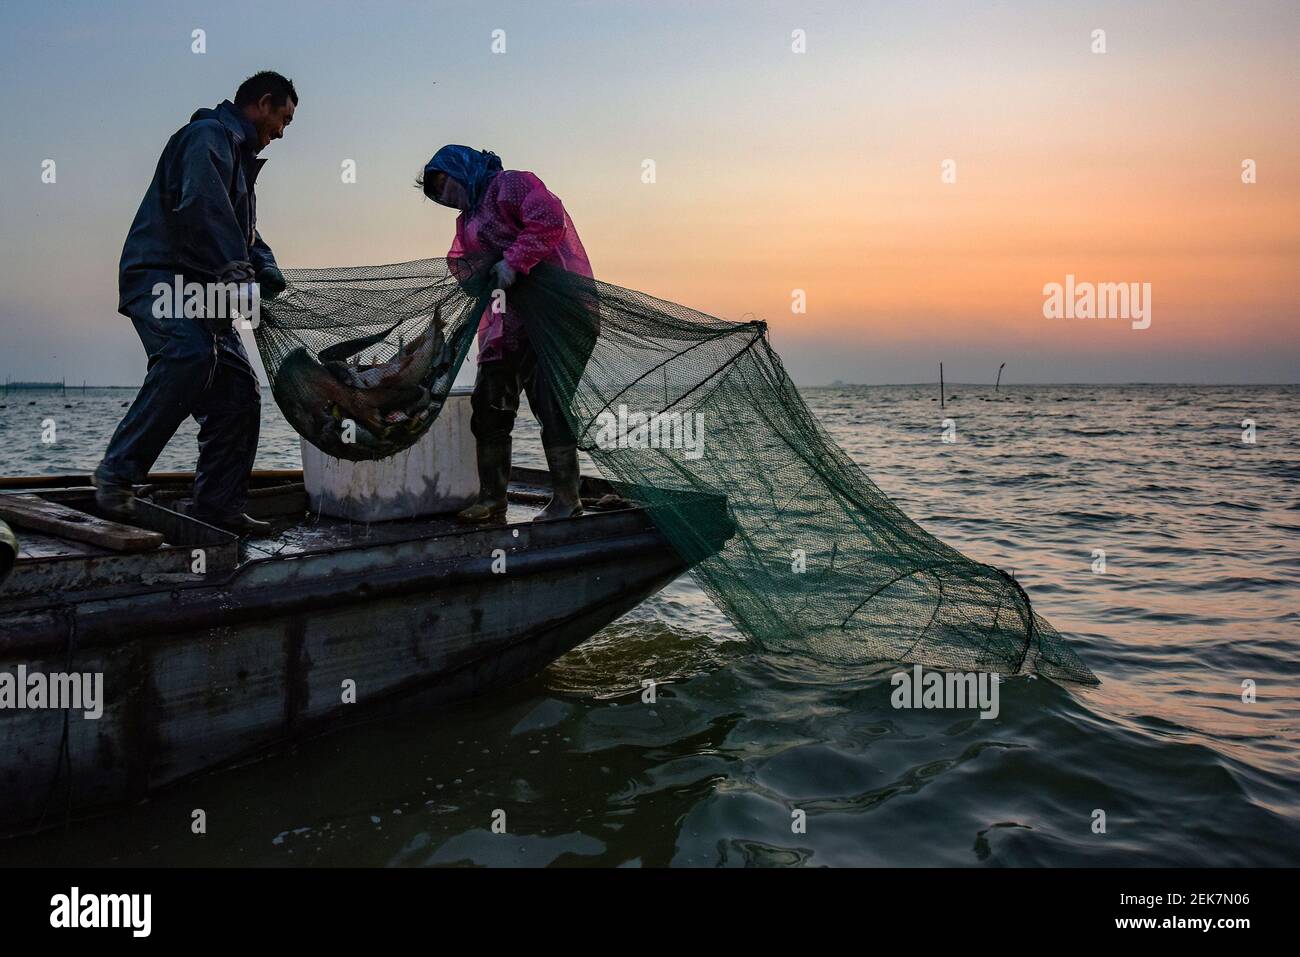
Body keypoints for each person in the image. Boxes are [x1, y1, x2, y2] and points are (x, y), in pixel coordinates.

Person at [93, 71, 298, 533]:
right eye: (283, 119)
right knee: (186, 354)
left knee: (239, 393)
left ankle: (217, 508)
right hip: (161, 276)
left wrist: (263, 262)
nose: (282, 132)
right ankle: (116, 475)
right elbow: (203, 206)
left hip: (208, 289)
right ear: (263, 104)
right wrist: (238, 269)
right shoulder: (207, 135)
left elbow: (242, 227)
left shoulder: (238, 156)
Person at [418, 145, 594, 523]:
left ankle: (567, 499)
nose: (443, 195)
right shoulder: (466, 221)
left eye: (444, 182)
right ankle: (491, 499)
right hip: (505, 322)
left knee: (551, 401)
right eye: (435, 193)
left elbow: (548, 220)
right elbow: (462, 265)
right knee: (489, 406)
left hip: (555, 315)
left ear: (460, 168)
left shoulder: (510, 184)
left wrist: (514, 262)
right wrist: (479, 275)